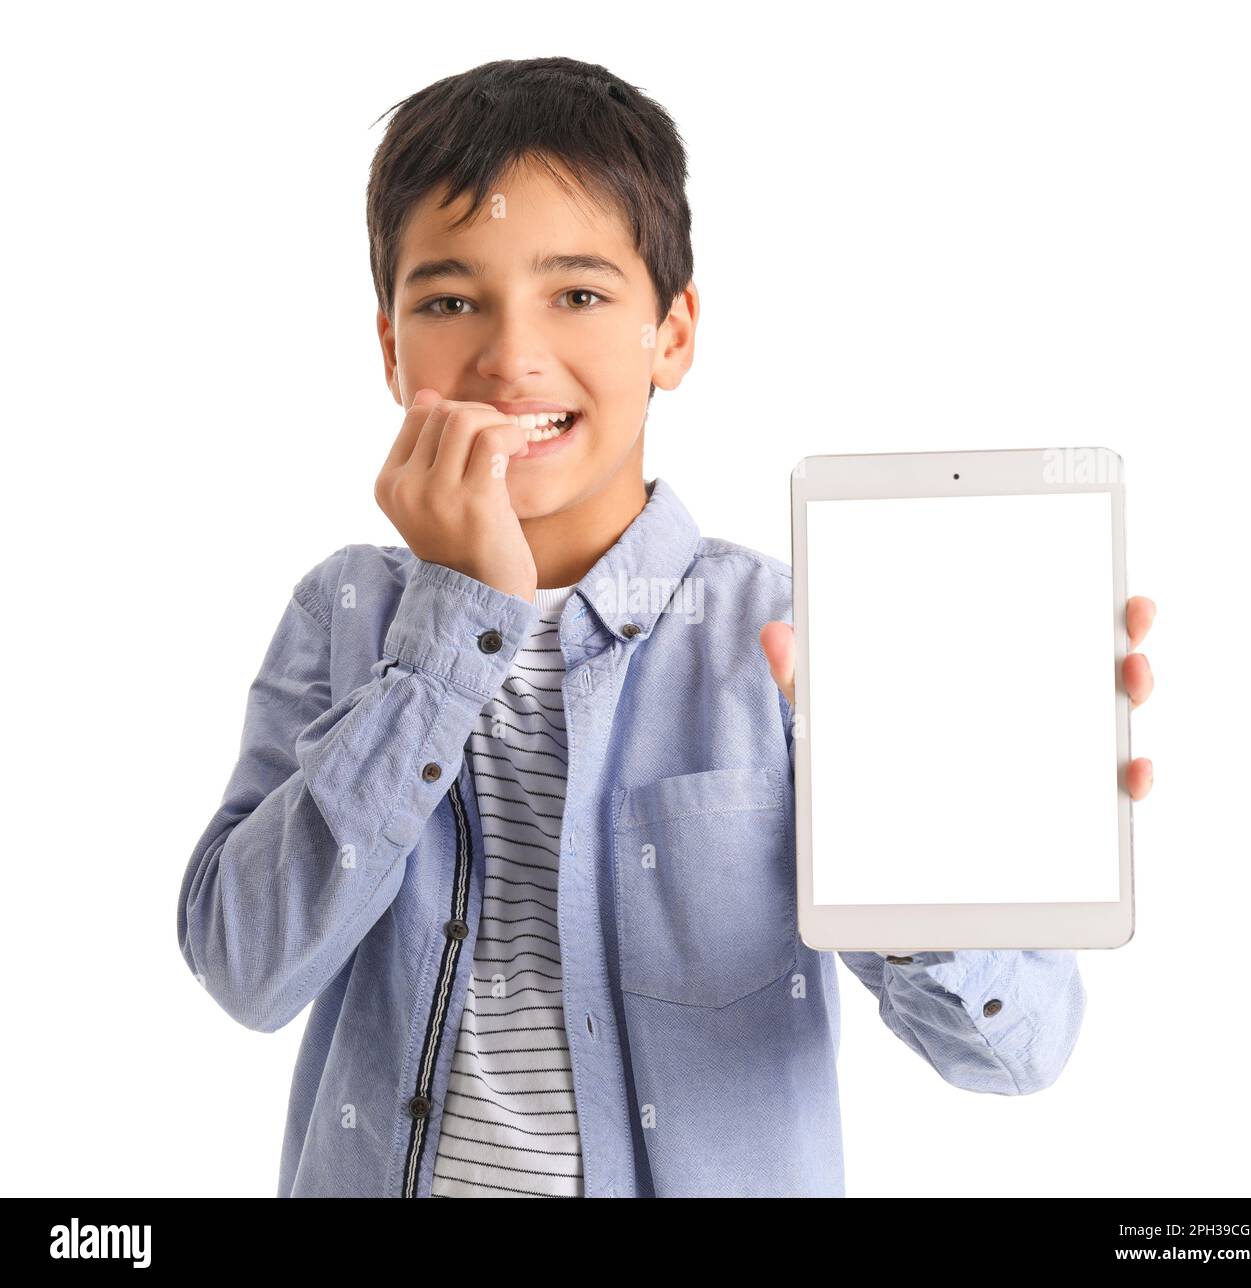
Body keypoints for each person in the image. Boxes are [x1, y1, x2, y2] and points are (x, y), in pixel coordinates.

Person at [176, 55, 1157, 1199]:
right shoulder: (343, 614)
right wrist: (451, 629)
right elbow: (246, 970)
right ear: (392, 349)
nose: (511, 355)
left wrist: (922, 830)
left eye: (578, 294)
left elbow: (1016, 1051)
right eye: (450, 300)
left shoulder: (792, 637)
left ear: (674, 334)